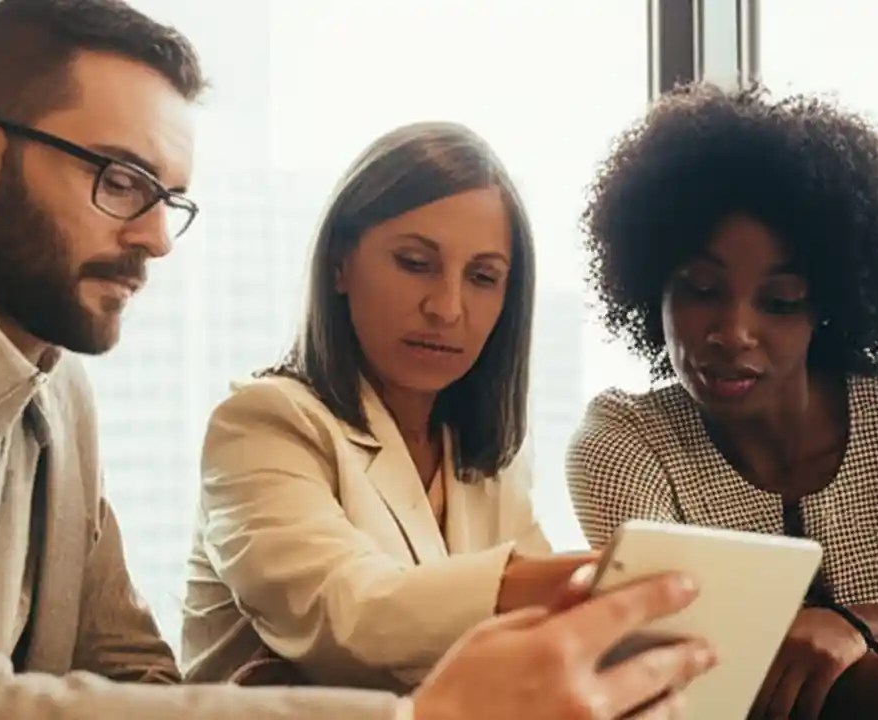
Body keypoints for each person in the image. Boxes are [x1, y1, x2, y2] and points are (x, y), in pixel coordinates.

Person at [0, 1, 717, 718]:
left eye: (170, 199)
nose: (158, 240)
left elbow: (128, 671)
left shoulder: (56, 389)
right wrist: (420, 719)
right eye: (122, 182)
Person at [566, 83, 878, 720]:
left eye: (779, 302)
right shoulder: (625, 444)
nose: (733, 332)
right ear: (652, 287)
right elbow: (696, 680)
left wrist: (855, 626)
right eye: (700, 289)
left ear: (827, 308)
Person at [181, 121, 597, 690]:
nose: (447, 307)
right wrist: (597, 579)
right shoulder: (264, 423)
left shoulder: (489, 453)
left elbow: (540, 649)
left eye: (482, 276)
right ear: (339, 265)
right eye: (415, 263)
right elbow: (347, 617)